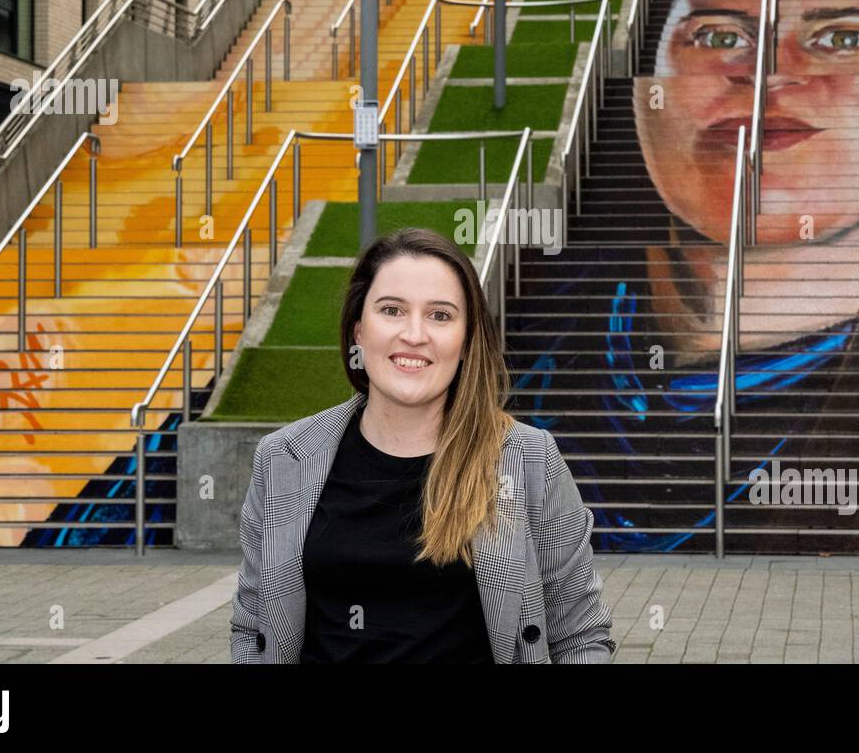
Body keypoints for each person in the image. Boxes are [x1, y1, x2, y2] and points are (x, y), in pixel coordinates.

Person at [512, 0, 859, 554]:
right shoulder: (541, 309)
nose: (766, 75)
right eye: (717, 36)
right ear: (642, 93)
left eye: (844, 38)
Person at [230, 227, 617, 662]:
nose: (414, 335)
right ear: (359, 329)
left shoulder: (527, 461)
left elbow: (580, 639)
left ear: (468, 339)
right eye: (392, 310)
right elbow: (251, 628)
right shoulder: (283, 457)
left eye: (440, 315)